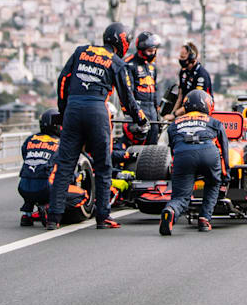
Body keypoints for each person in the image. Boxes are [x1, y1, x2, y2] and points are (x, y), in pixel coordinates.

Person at [48, 22, 143, 230]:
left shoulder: (81, 51)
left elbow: (62, 80)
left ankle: (54, 217)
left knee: (64, 165)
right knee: (103, 165)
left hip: (73, 109)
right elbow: (127, 97)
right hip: (97, 111)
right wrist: (140, 118)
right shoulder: (116, 62)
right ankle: (103, 217)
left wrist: (64, 110)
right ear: (122, 41)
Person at [159, 89, 229, 235]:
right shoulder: (215, 122)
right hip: (208, 152)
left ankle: (170, 210)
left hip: (183, 154)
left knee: (181, 197)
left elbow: (173, 149)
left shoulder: (174, 124)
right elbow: (224, 149)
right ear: (207, 105)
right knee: (213, 183)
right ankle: (204, 219)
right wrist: (225, 175)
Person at [18, 110, 61, 226]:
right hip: (45, 188)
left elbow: (24, 154)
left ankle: (27, 214)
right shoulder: (59, 142)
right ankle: (47, 207)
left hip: (23, 186)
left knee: (31, 174)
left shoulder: (30, 139)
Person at [126, 31, 162, 144]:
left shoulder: (152, 66)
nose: (153, 53)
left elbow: (155, 89)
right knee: (138, 145)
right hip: (139, 109)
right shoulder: (129, 64)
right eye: (150, 51)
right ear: (141, 49)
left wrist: (157, 111)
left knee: (153, 145)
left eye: (154, 51)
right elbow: (127, 92)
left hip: (152, 110)